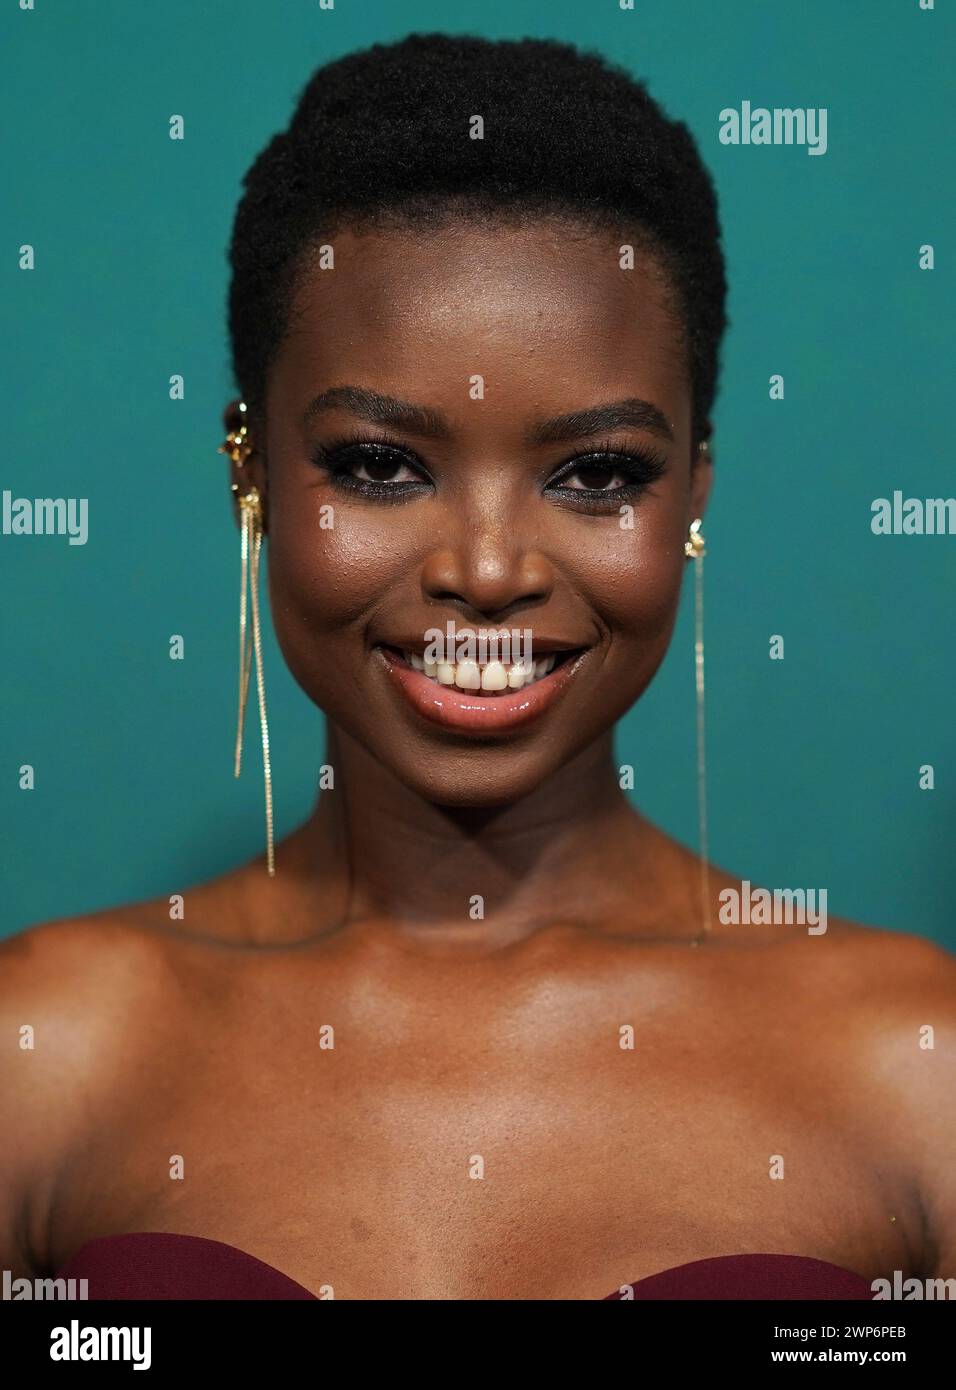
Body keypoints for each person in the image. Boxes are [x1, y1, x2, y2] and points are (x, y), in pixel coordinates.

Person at [3, 33, 954, 1302]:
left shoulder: (913, 1065)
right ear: (249, 472)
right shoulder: (47, 1050)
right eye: (380, 465)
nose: (490, 567)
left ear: (691, 496)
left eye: (598, 474)